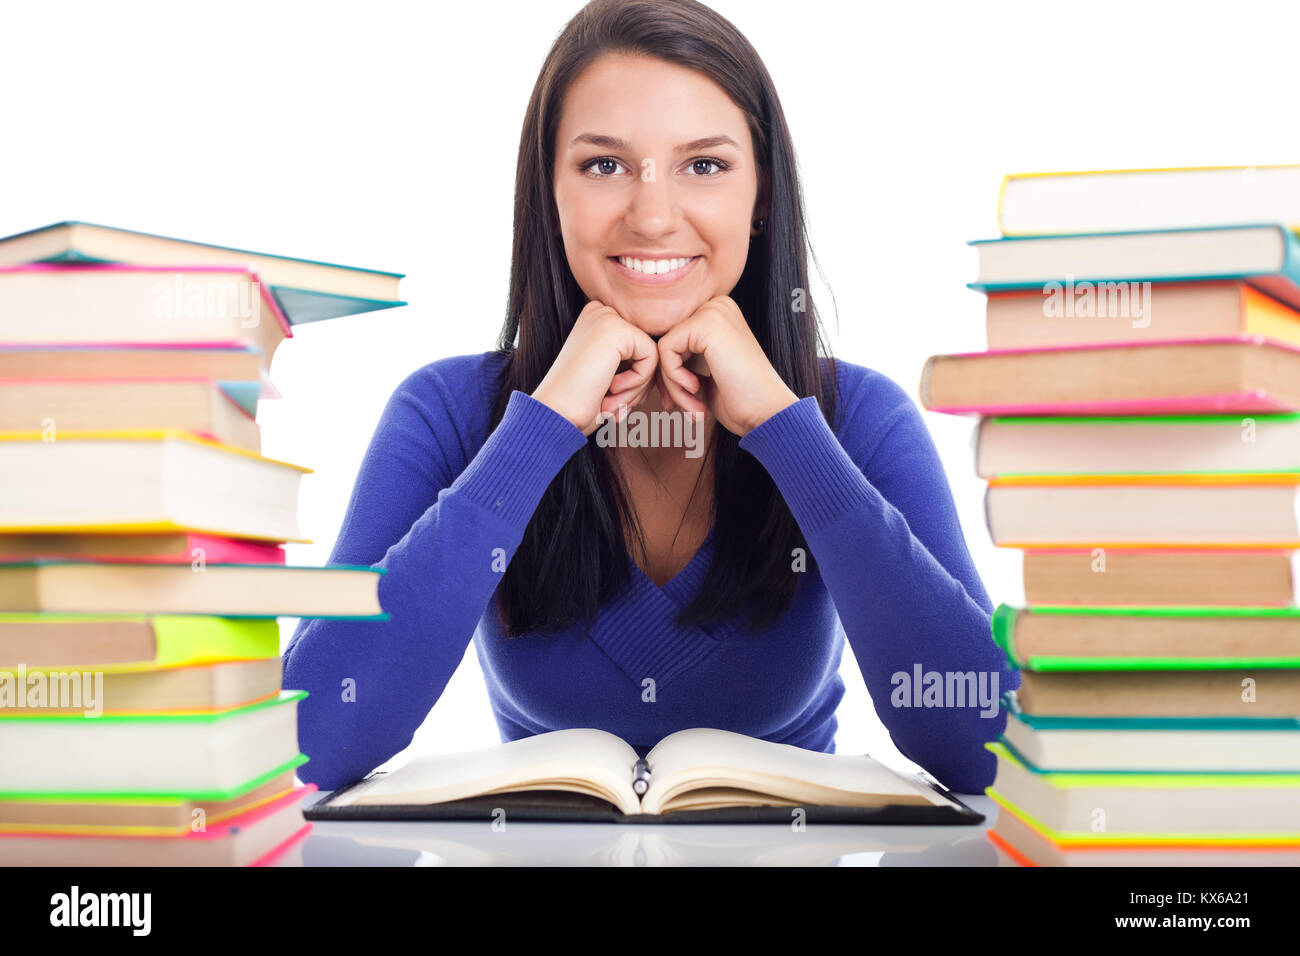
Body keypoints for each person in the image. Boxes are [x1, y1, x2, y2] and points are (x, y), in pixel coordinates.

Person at [283, 0, 1018, 795]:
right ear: (549, 192)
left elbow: (986, 748)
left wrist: (786, 432)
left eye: (704, 165)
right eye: (603, 165)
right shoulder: (447, 411)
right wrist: (537, 431)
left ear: (761, 195)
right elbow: (314, 737)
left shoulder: (859, 420)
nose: (655, 215)